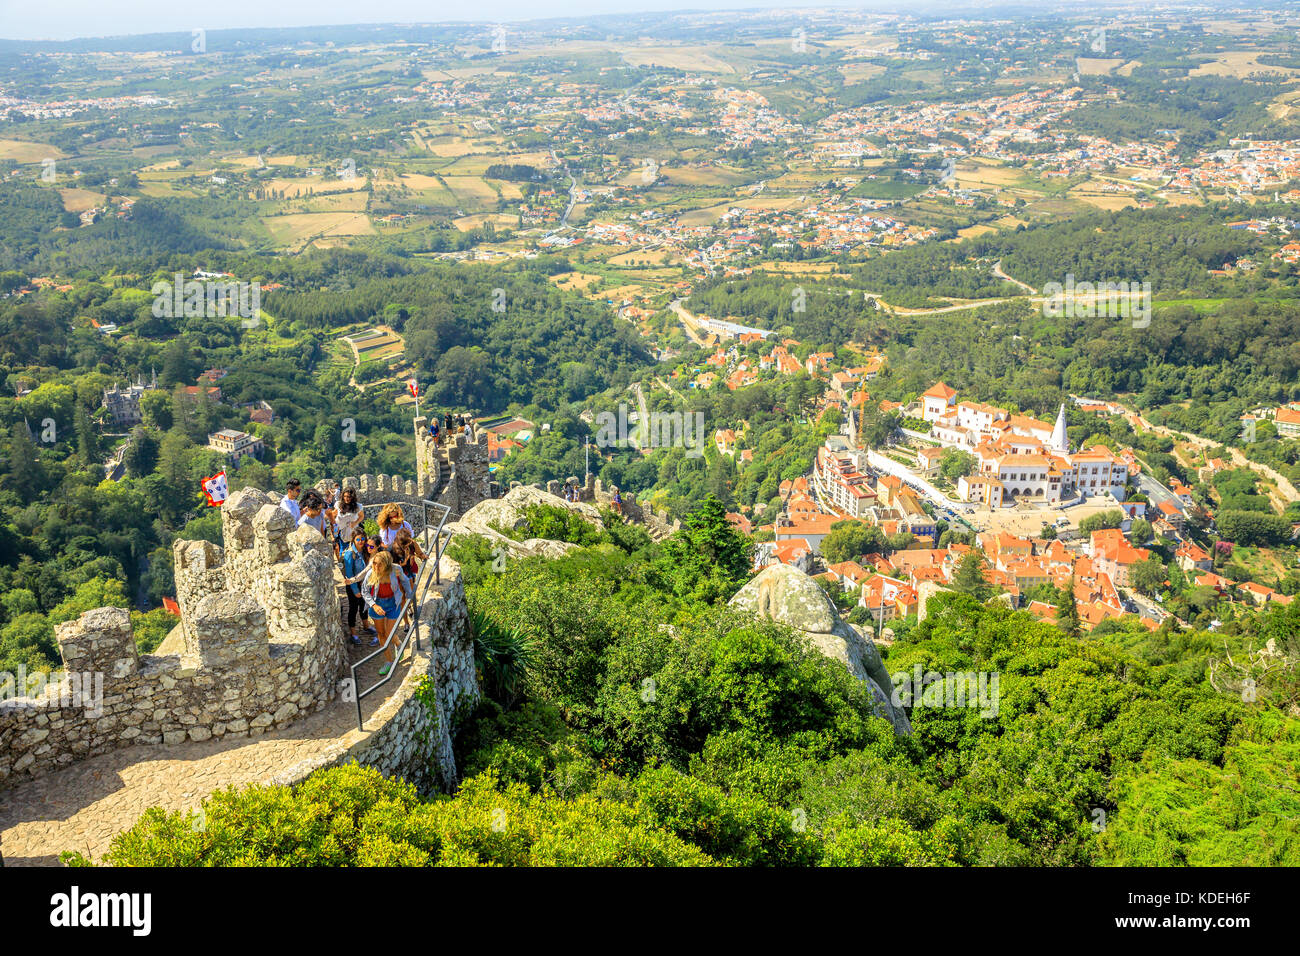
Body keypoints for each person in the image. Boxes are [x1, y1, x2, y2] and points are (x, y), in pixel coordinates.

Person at [361, 550, 413, 677]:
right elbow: (365, 591)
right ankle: (389, 661)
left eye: (380, 564)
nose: (376, 567)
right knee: (381, 633)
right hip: (376, 603)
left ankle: (399, 645)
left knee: (390, 632)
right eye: (374, 563)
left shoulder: (396, 570)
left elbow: (405, 581)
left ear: (387, 564)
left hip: (393, 603)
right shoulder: (370, 574)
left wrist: (409, 595)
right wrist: (373, 605)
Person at [340, 532, 375, 645]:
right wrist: (355, 590)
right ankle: (353, 633)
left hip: (363, 584)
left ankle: (366, 626)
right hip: (352, 585)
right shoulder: (350, 554)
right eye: (358, 539)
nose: (361, 541)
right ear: (353, 539)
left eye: (363, 539)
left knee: (364, 605)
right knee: (353, 608)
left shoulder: (365, 551)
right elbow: (349, 574)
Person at [334, 487, 364, 557]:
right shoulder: (338, 505)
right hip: (341, 532)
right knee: (343, 552)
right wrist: (335, 534)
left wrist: (355, 523)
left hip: (354, 533)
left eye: (348, 497)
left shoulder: (358, 506)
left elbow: (361, 516)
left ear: (352, 497)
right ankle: (344, 566)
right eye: (344, 496)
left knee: (354, 552)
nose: (346, 498)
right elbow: (334, 517)